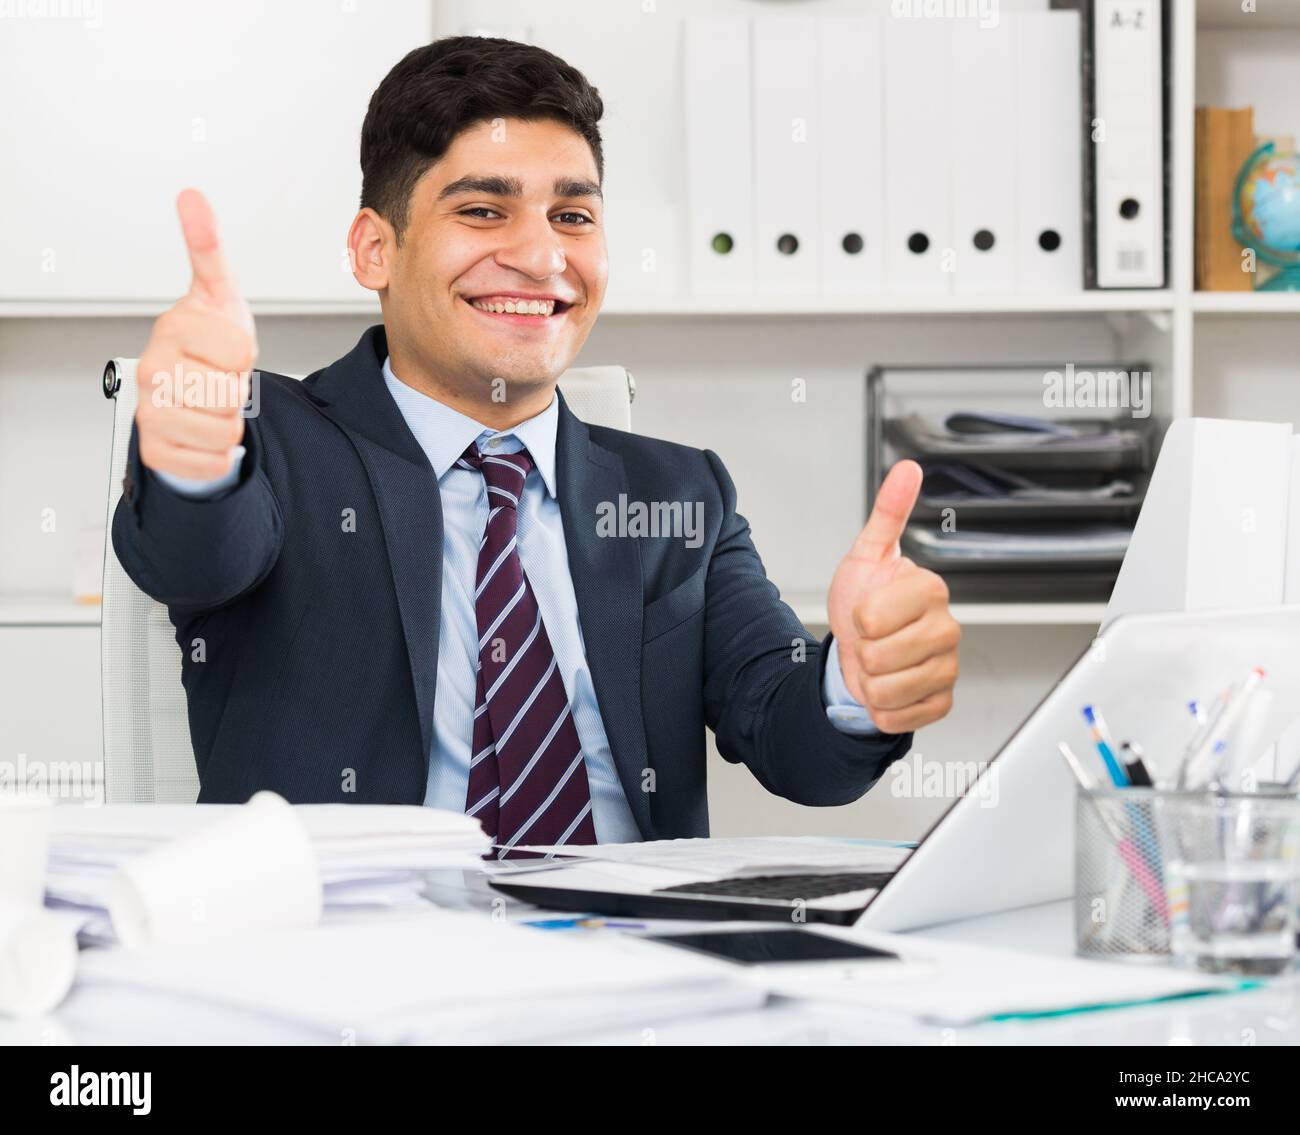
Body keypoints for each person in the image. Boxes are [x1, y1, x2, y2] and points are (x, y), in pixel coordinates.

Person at [112, 36, 960, 850]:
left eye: (572, 215)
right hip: (359, 936)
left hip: (625, 933)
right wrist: (192, 458)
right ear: (375, 249)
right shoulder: (269, 441)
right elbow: (197, 552)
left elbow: (790, 735)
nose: (541, 255)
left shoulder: (677, 494)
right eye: (484, 210)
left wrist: (857, 683)